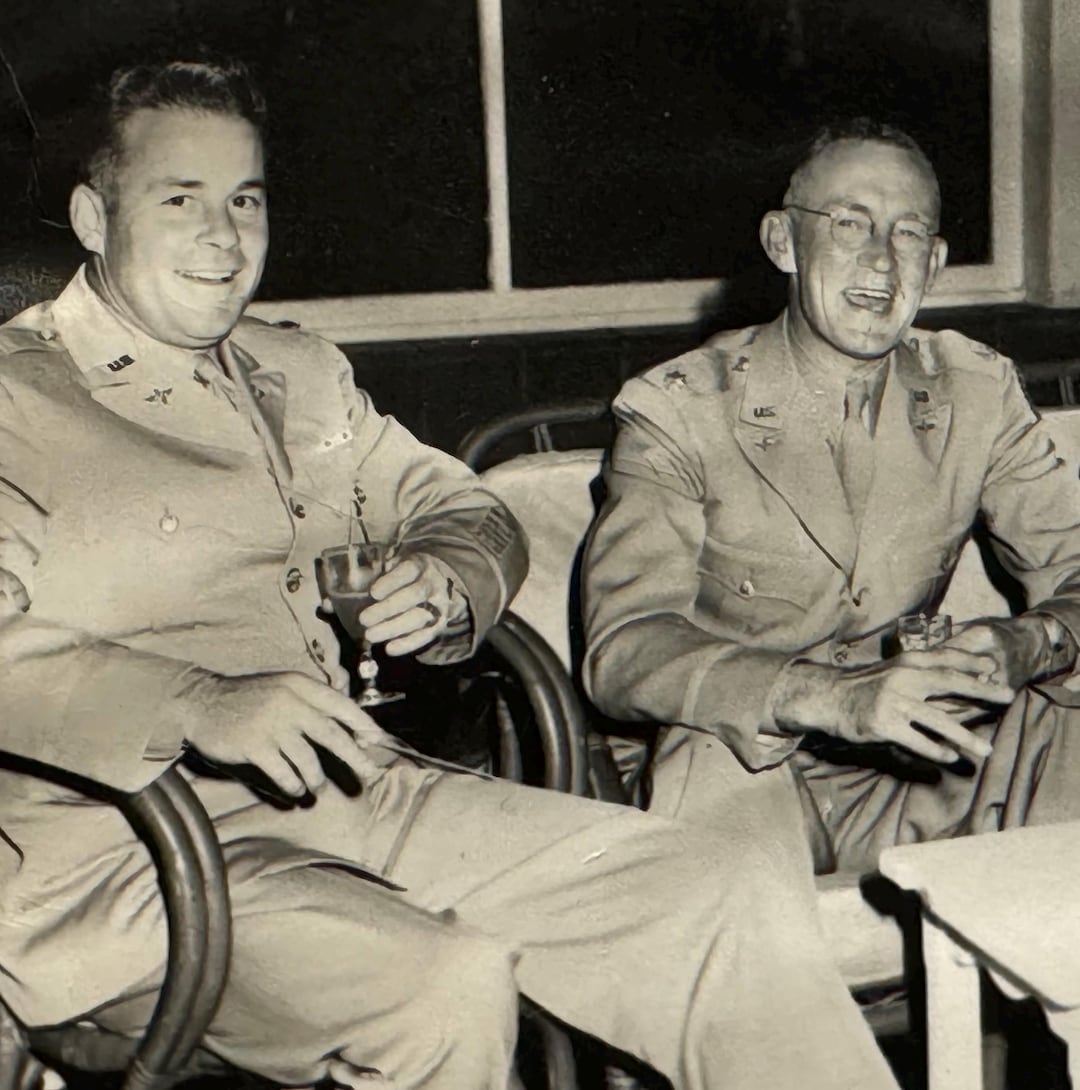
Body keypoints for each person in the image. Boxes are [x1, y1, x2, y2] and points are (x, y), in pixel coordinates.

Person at [0, 61, 901, 1090]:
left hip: (355, 799)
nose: (224, 235)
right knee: (443, 982)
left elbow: (468, 507)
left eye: (245, 199)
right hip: (137, 868)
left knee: (711, 877)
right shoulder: (19, 402)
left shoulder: (297, 373)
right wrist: (198, 700)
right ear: (89, 214)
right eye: (180, 200)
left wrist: (449, 576)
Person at [583, 119, 1080, 879]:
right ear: (783, 243)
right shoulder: (680, 409)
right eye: (848, 224)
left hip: (937, 763)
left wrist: (1031, 643)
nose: (881, 261)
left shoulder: (977, 389)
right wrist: (828, 698)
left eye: (909, 234)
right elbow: (624, 650)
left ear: (937, 262)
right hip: (758, 767)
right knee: (707, 748)